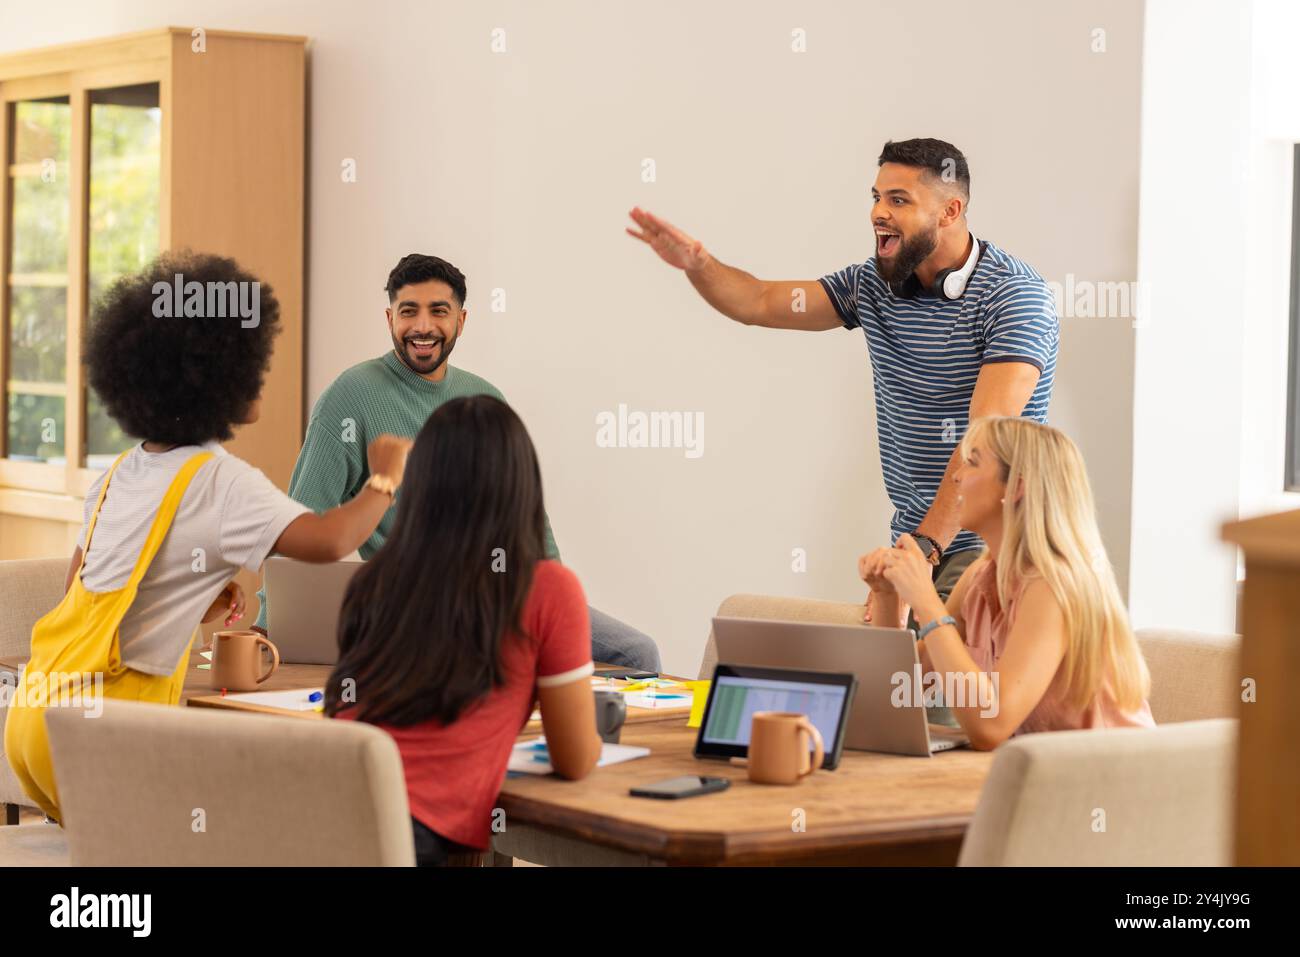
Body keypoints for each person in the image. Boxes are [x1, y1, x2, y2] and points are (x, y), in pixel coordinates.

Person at [4, 251, 412, 822]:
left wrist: (186, 596)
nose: (262, 371)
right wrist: (385, 477)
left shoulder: (121, 470)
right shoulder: (221, 481)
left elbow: (83, 596)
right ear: (218, 376)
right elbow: (329, 540)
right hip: (114, 738)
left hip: (38, 728)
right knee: (259, 820)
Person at [627, 138, 1060, 628]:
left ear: (950, 211)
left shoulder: (1014, 297)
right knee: (890, 695)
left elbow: (986, 439)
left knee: (938, 700)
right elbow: (758, 301)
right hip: (918, 544)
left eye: (898, 200)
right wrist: (700, 265)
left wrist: (925, 547)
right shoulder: (872, 285)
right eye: (876, 197)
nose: (879, 212)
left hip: (992, 548)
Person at [254, 253, 660, 672]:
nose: (423, 327)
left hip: (504, 596)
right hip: (422, 610)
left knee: (635, 654)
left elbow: (529, 518)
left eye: (439, 311)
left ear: (461, 321)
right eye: (409, 311)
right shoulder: (351, 396)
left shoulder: (485, 398)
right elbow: (301, 519)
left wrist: (556, 600)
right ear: (389, 317)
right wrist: (270, 625)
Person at [327, 395, 601, 864]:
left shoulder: (376, 579)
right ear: (520, 486)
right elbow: (575, 760)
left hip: (320, 816)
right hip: (409, 839)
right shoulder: (547, 589)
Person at [858, 417, 1154, 749]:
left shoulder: (1051, 586)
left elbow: (991, 725)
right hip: (1041, 778)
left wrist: (926, 601)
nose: (956, 475)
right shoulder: (979, 578)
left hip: (1111, 784)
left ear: (1016, 487)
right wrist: (887, 596)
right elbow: (898, 693)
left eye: (972, 462)